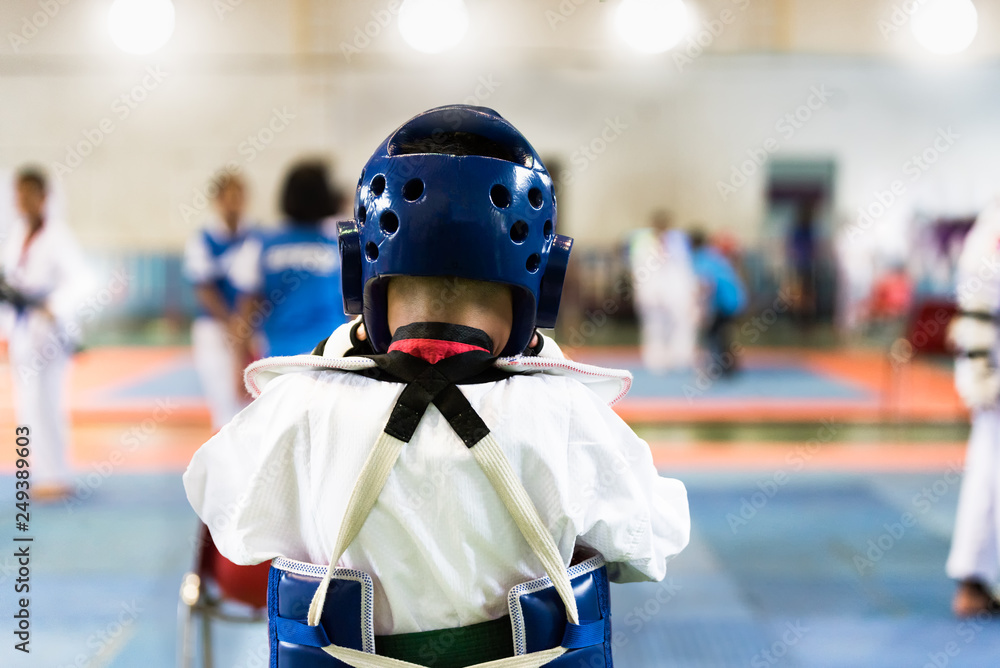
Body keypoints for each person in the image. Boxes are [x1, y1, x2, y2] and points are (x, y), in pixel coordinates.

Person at [184, 105, 690, 666]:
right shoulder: (566, 411)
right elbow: (655, 542)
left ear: (359, 276)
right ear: (542, 288)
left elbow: (221, 507)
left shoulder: (301, 406)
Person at [0, 168, 92, 501]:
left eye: (29, 193)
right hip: (23, 328)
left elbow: (80, 281)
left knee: (49, 403)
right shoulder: (16, 234)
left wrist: (56, 305)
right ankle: (41, 474)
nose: (22, 200)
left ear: (43, 197)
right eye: (18, 194)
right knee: (27, 406)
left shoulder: (58, 235)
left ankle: (58, 474)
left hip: (50, 329)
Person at [229, 161, 346, 359]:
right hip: (330, 352)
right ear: (325, 196)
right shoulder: (339, 241)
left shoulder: (261, 243)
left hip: (281, 356)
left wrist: (240, 361)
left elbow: (245, 309)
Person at [946, 198, 1000, 617]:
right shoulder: (992, 229)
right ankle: (972, 583)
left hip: (985, 365)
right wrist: (981, 373)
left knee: (986, 473)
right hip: (990, 368)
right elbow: (978, 301)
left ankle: (973, 581)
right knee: (989, 473)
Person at [182, 172, 254, 430]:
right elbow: (204, 289)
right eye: (230, 197)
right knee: (223, 404)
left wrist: (244, 329)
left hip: (249, 328)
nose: (235, 202)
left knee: (250, 403)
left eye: (240, 196)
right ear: (218, 200)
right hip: (214, 327)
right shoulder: (203, 240)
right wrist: (231, 322)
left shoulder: (255, 237)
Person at [628, 210, 698, 372]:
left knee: (680, 323)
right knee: (654, 325)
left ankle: (680, 356)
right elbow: (637, 268)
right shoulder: (642, 241)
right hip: (651, 290)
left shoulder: (678, 241)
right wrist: (640, 290)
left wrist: (690, 290)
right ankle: (655, 359)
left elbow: (684, 267)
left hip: (675, 290)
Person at [689, 228, 747, 376]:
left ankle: (721, 367)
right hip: (734, 298)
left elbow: (707, 284)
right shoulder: (713, 255)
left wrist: (701, 309)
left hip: (725, 302)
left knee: (714, 333)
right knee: (722, 333)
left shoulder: (701, 258)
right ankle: (727, 367)